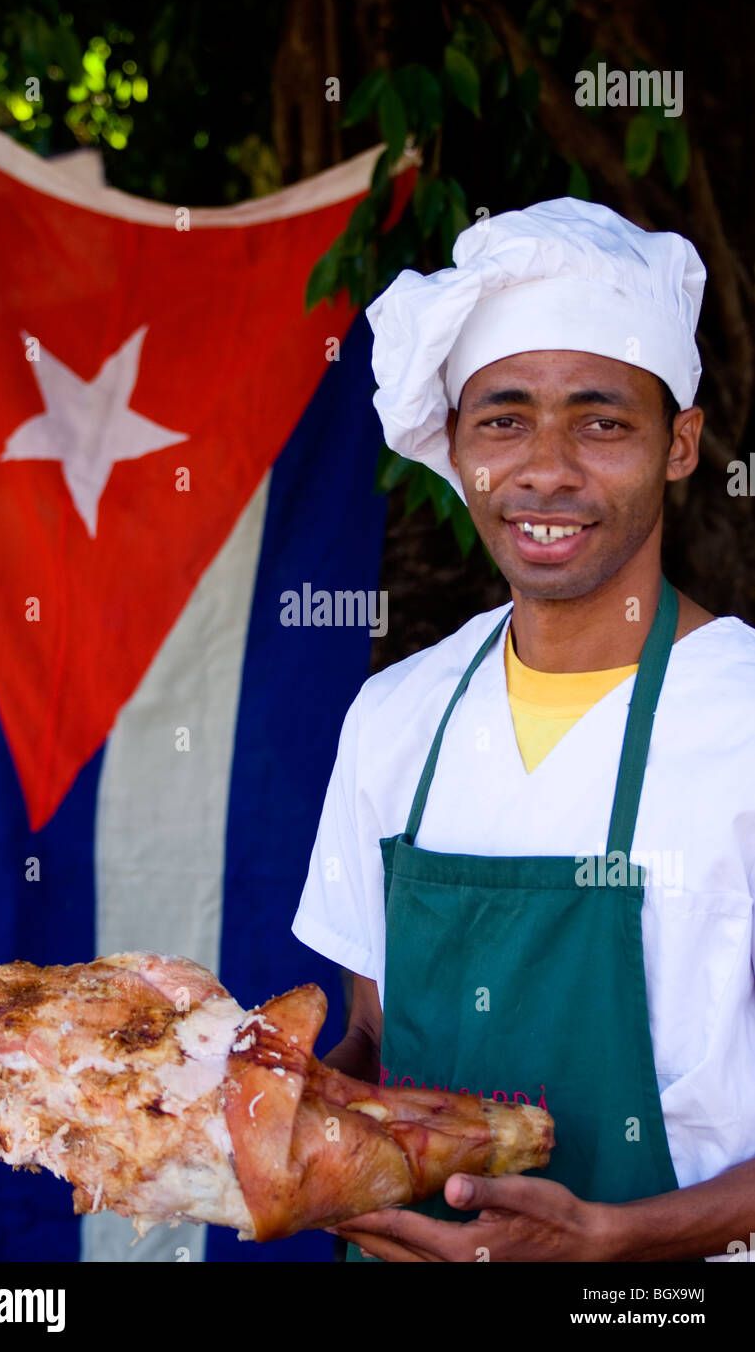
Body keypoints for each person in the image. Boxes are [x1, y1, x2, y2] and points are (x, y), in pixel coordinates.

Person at [291, 198, 755, 1263]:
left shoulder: (736, 721)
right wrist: (305, 1149)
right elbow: (371, 1034)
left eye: (601, 421)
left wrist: (615, 1238)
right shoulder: (397, 717)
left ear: (679, 444)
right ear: (453, 443)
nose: (546, 469)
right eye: (502, 418)